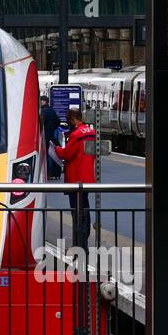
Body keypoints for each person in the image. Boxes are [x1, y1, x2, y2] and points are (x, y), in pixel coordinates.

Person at [56, 107, 97, 254]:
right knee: (85, 209)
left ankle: (80, 247)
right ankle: (83, 243)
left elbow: (66, 154)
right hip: (87, 178)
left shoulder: (76, 135)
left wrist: (55, 149)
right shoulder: (91, 132)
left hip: (75, 178)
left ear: (73, 119)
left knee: (77, 213)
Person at [39, 95, 61, 178]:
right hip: (51, 136)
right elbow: (58, 122)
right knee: (54, 155)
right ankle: (54, 174)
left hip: (44, 137)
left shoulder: (42, 112)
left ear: (44, 101)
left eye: (41, 100)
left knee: (45, 156)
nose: (40, 102)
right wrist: (52, 129)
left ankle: (47, 173)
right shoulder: (52, 110)